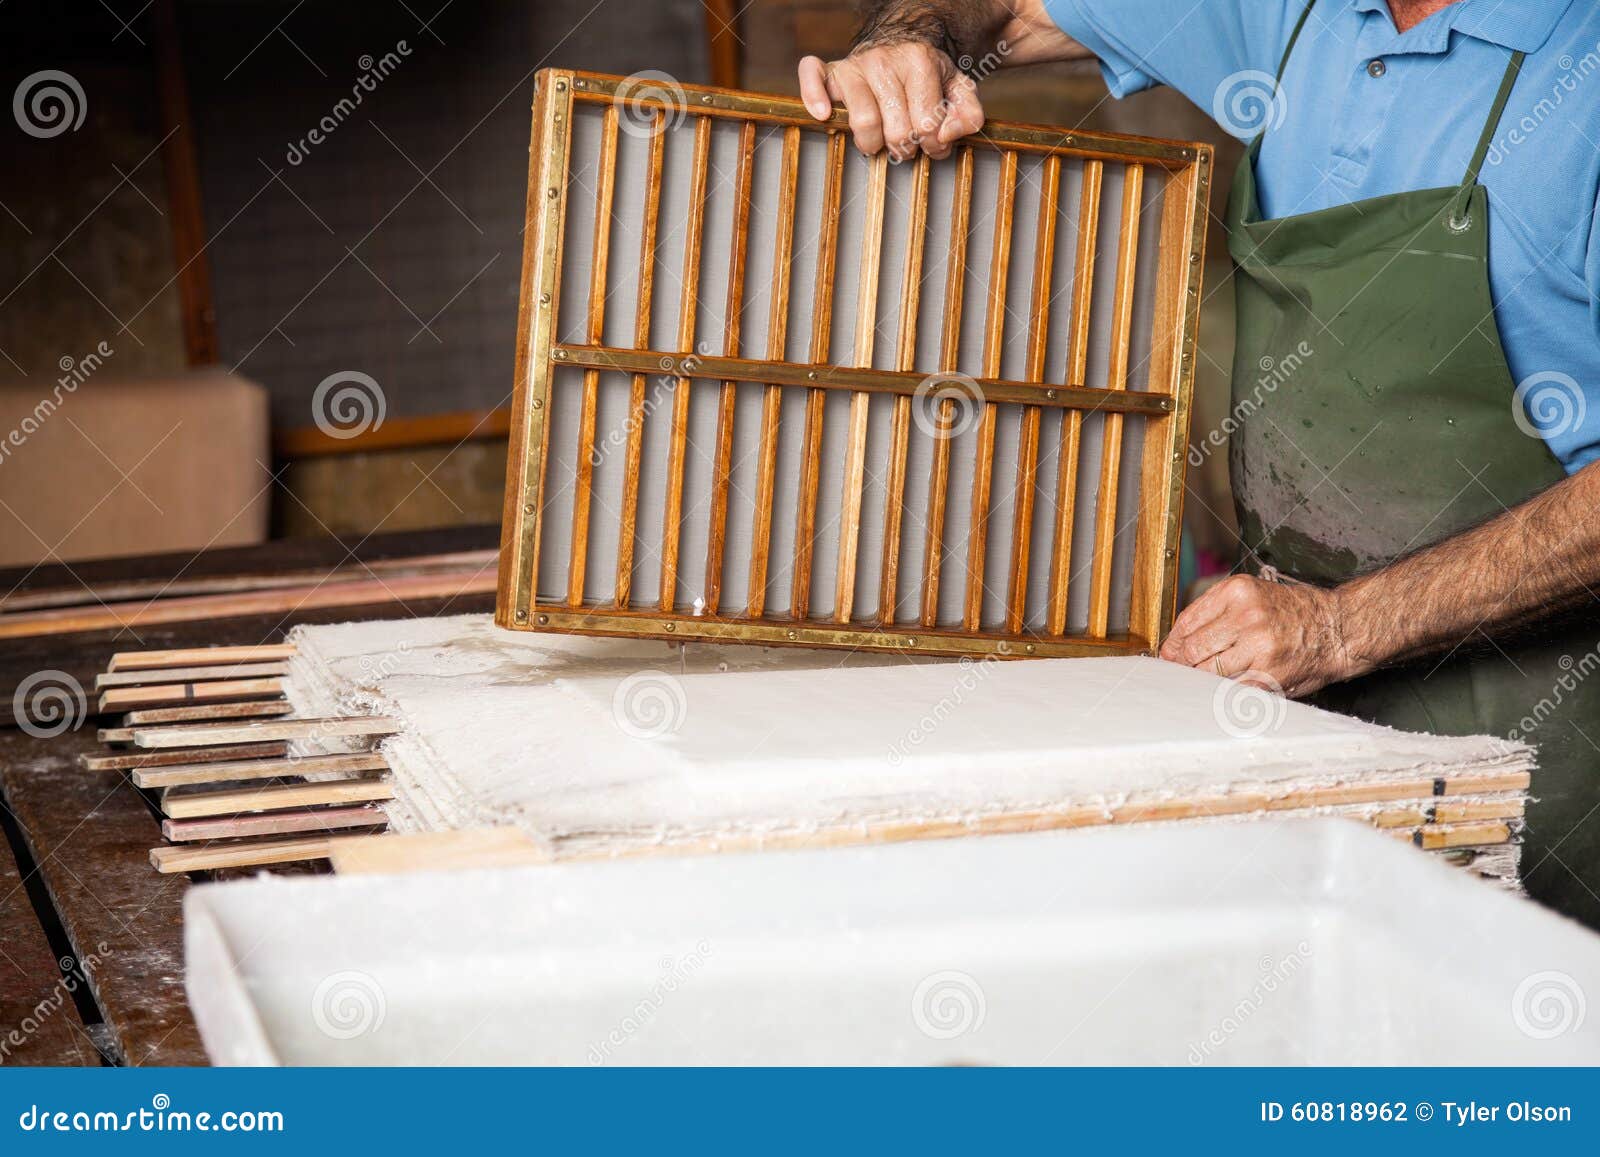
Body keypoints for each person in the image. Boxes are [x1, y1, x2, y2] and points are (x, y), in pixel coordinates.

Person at [799, 0, 1600, 928]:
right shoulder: (1295, 15)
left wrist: (1343, 627)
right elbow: (1004, 11)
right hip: (1317, 735)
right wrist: (912, 45)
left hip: (1552, 764)